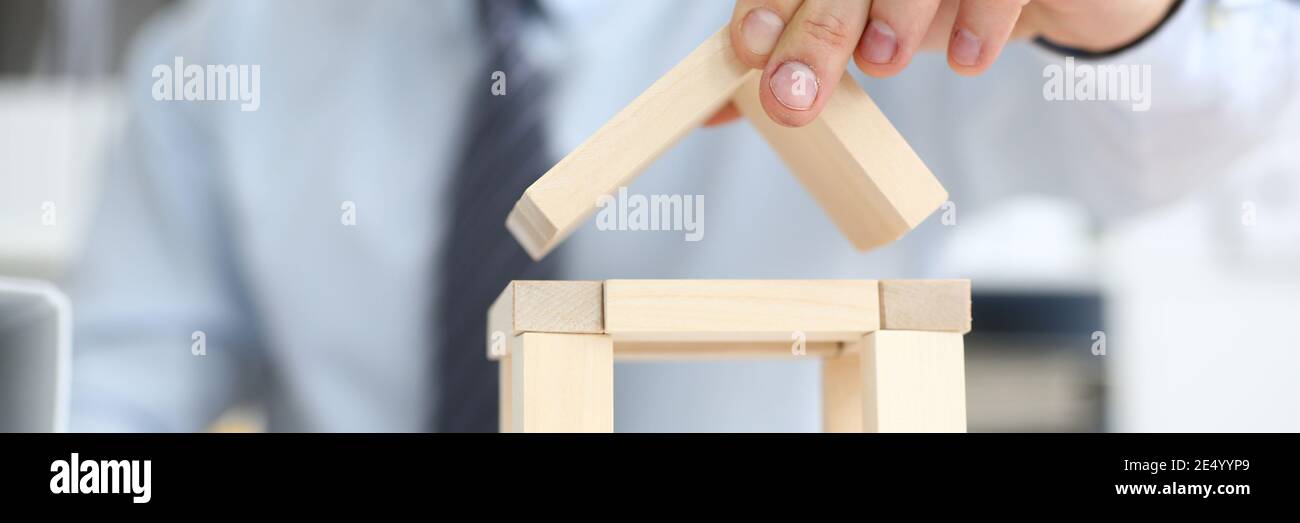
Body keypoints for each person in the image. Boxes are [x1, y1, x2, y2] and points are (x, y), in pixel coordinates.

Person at [68, 0, 1300, 432]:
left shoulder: (872, 27)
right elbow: (93, 424)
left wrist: (1134, 19)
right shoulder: (220, 57)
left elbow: (1181, 127)